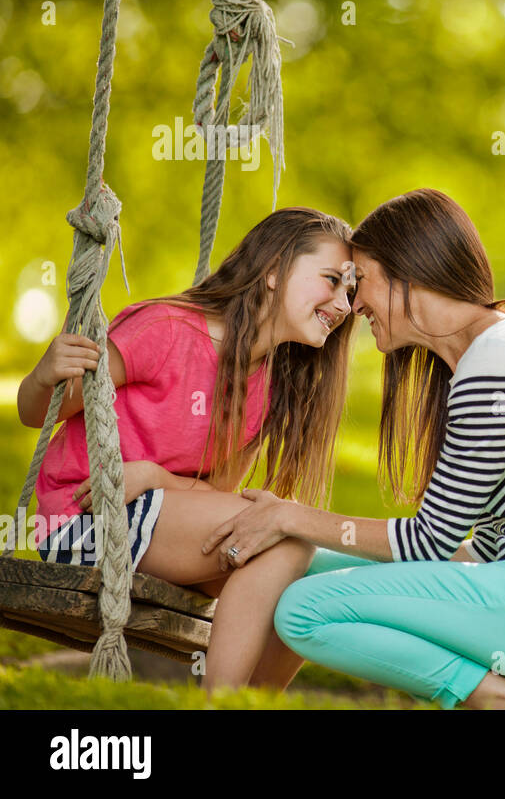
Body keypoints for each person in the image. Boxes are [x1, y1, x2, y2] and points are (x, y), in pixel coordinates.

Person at [201, 188, 505, 709]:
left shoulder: (499, 362)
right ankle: (235, 704)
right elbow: (476, 551)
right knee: (296, 566)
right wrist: (299, 537)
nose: (353, 305)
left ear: (408, 273)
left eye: (362, 282)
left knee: (305, 609)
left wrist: (291, 516)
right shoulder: (484, 359)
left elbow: (429, 543)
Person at [16, 207, 356, 693]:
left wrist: (155, 476)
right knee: (288, 538)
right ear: (275, 272)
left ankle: (248, 704)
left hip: (157, 519)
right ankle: (221, 706)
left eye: (350, 292)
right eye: (331, 280)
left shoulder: (268, 384)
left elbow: (214, 491)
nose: (343, 305)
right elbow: (38, 412)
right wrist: (44, 374)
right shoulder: (167, 330)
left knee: (304, 598)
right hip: (84, 520)